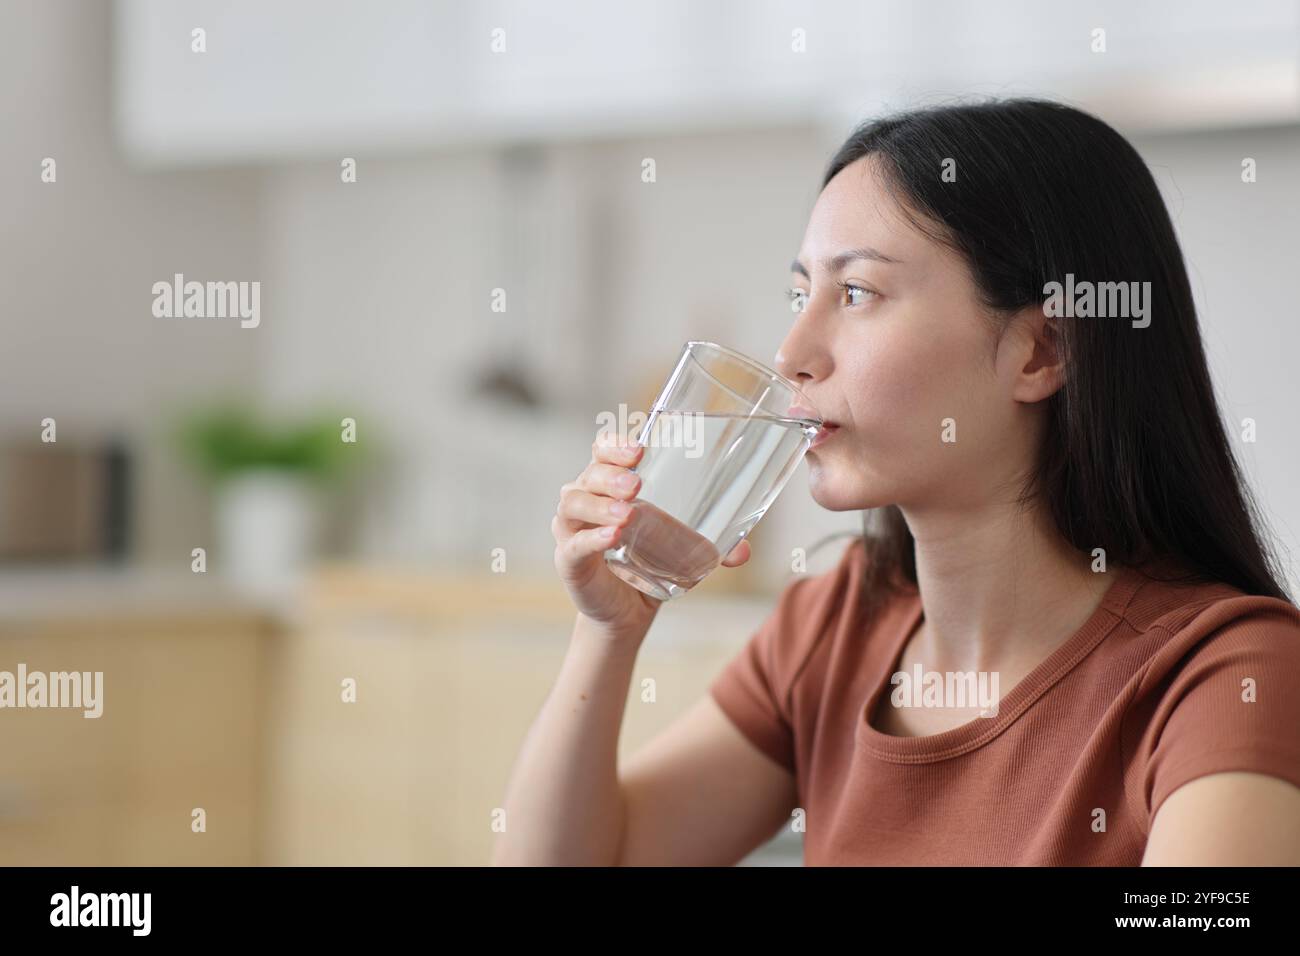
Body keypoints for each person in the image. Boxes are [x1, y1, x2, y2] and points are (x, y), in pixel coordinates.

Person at [492, 98, 1300, 866]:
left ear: (1042, 352)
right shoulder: (835, 625)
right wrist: (611, 627)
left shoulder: (1225, 674)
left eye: (857, 292)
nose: (791, 353)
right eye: (800, 292)